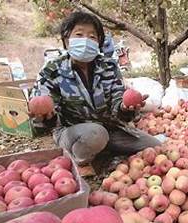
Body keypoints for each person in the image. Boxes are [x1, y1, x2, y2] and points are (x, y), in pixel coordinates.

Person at [30, 11, 160, 170]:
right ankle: (79, 159)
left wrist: (125, 109)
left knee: (154, 145)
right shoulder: (52, 70)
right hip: (72, 132)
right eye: (79, 34)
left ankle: (103, 150)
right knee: (96, 134)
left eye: (92, 36)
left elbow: (117, 100)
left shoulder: (109, 66)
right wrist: (46, 118)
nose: (85, 40)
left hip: (109, 129)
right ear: (66, 39)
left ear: (99, 42)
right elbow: (44, 114)